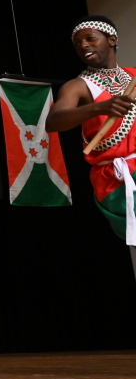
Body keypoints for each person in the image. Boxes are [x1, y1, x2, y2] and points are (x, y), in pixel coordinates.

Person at [46, 16, 136, 244]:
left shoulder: (134, 75)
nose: (83, 45)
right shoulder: (78, 86)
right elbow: (54, 121)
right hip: (117, 177)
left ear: (112, 39)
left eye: (90, 38)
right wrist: (100, 107)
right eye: (77, 43)